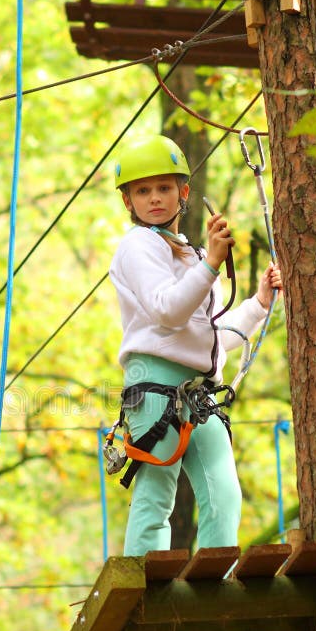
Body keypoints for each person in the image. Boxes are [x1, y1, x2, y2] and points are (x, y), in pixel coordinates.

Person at [108, 134, 282, 556]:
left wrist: (258, 305)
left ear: (183, 193)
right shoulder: (138, 247)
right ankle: (143, 589)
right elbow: (167, 310)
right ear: (128, 201)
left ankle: (216, 582)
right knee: (155, 498)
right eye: (143, 191)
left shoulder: (190, 256)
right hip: (155, 387)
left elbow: (209, 340)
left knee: (224, 495)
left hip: (199, 393)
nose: (154, 198)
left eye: (164, 188)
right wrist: (211, 265)